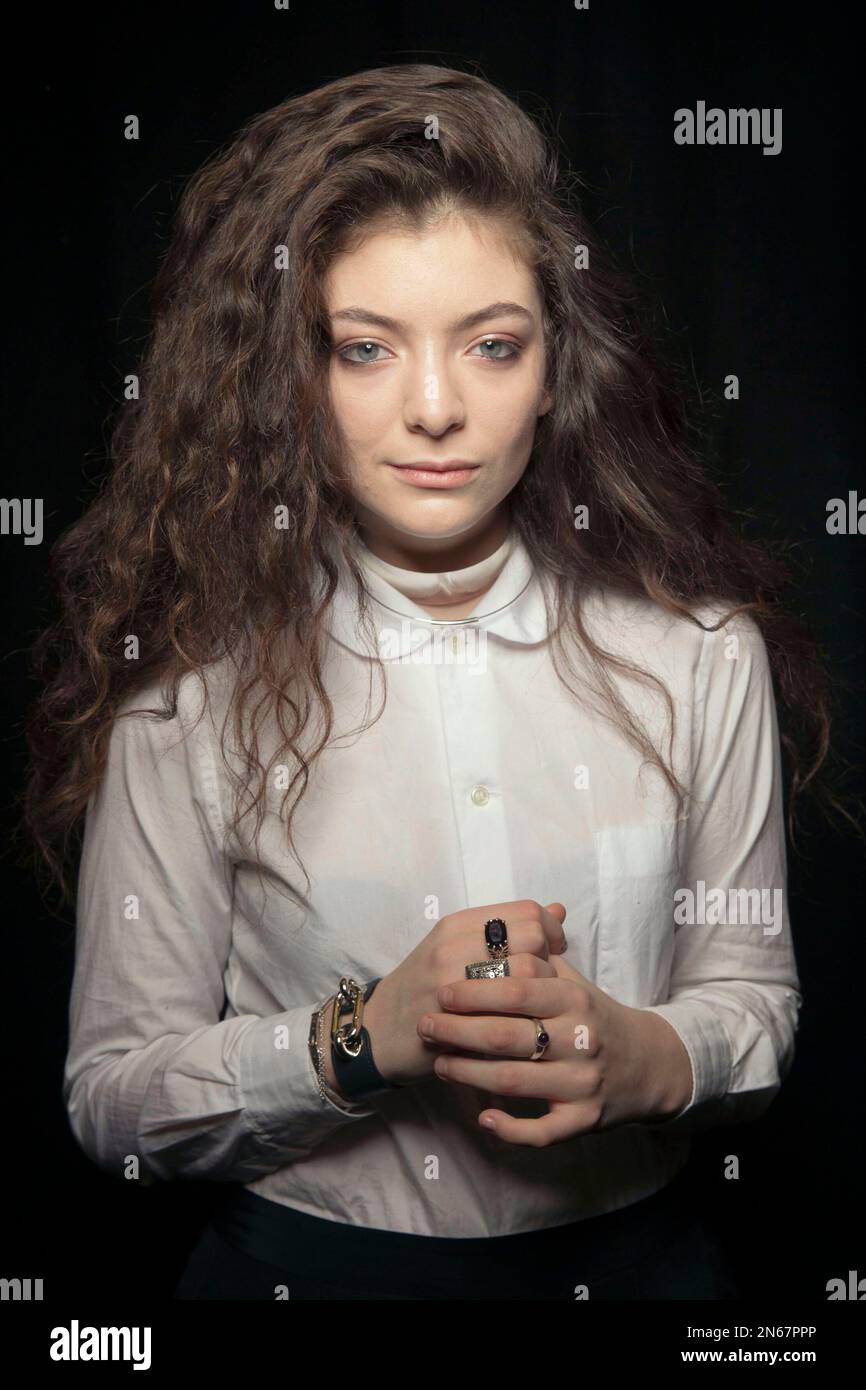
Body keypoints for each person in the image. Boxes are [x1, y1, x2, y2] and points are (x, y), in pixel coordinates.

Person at [24, 62, 840, 1300]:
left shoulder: (697, 653)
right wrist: (361, 1038)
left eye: (491, 345)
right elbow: (112, 1102)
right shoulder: (183, 698)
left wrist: (646, 1056)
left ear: (556, 366)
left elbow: (752, 999)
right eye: (363, 349)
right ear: (287, 381)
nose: (435, 408)